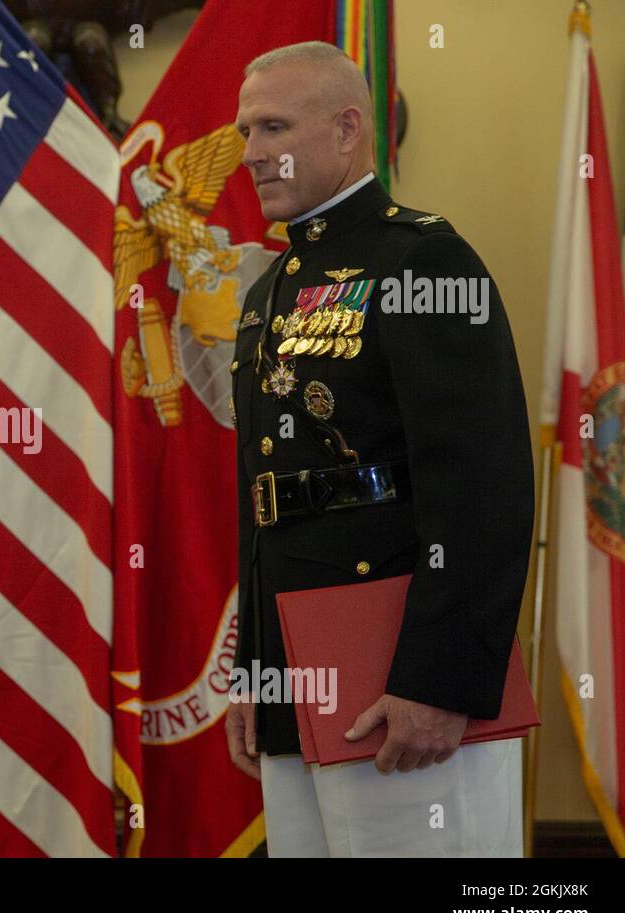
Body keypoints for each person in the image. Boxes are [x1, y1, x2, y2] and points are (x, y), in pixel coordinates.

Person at [224, 41, 534, 857]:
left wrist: (439, 681)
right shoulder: (271, 290)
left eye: (273, 126)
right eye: (245, 130)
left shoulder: (423, 258)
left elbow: (482, 486)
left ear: (347, 128)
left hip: (404, 683)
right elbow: (266, 504)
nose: (250, 152)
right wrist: (258, 673)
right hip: (300, 679)